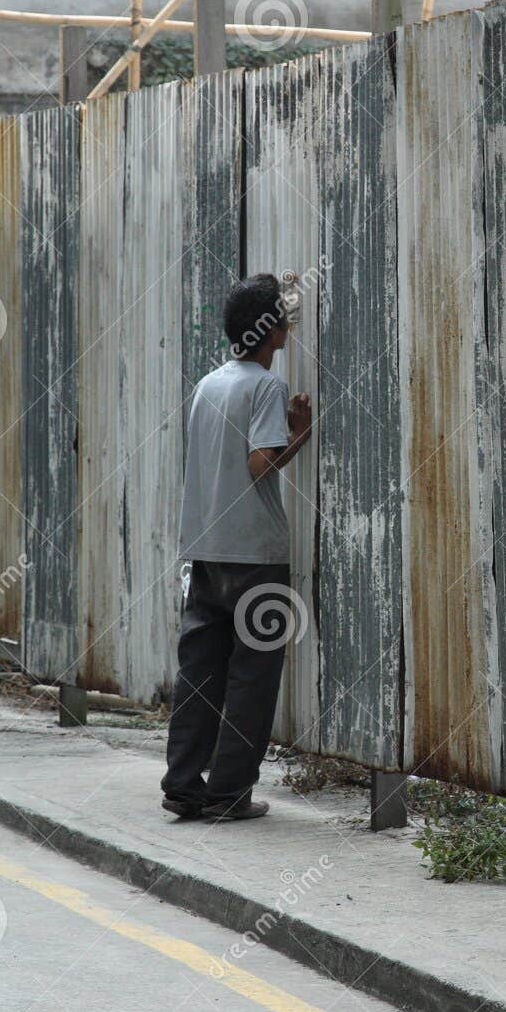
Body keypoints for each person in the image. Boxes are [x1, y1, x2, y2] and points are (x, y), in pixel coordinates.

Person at [161, 274, 312, 821]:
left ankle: (183, 784)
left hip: (205, 553)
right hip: (257, 557)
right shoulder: (266, 387)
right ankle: (228, 794)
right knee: (251, 680)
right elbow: (259, 465)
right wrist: (299, 434)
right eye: (284, 320)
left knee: (199, 674)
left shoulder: (208, 384)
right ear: (272, 333)